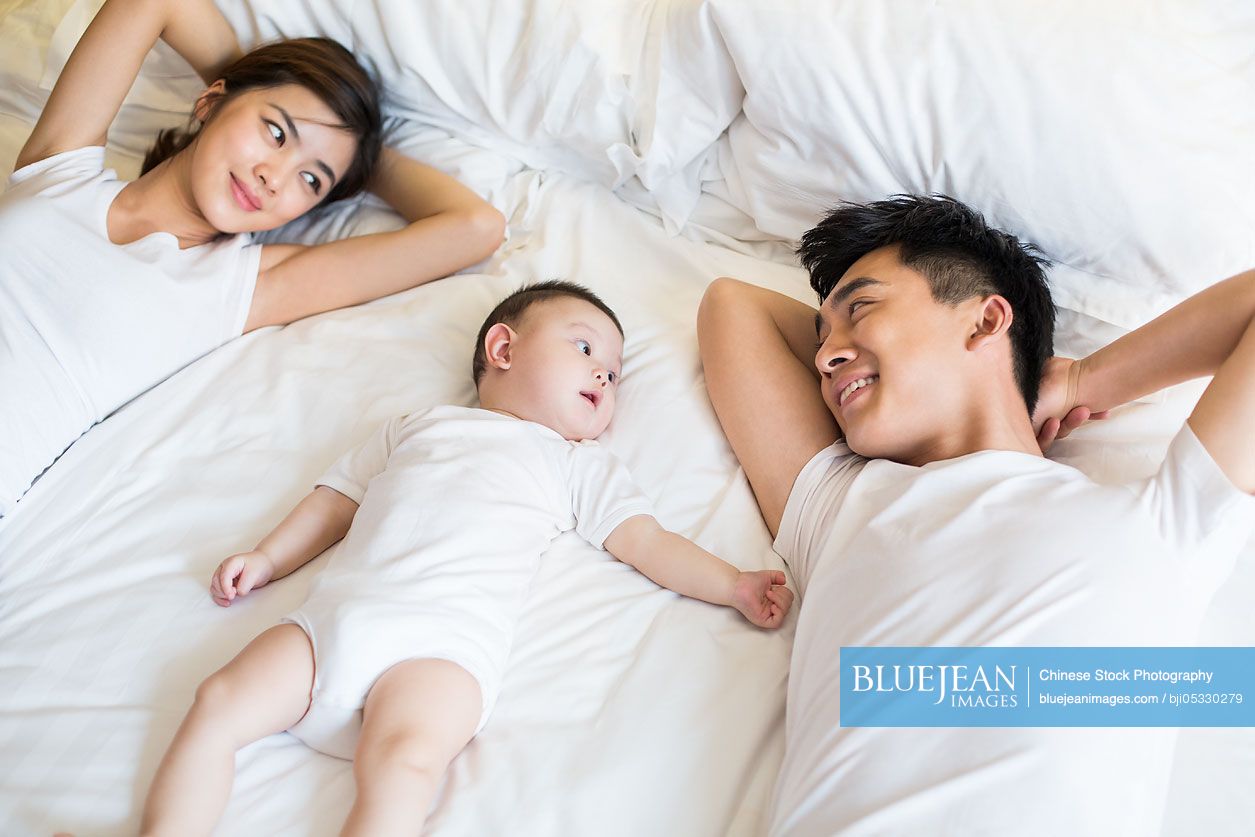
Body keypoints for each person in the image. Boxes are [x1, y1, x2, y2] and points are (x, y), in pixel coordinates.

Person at [137, 281, 795, 836]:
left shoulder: (574, 463)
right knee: (218, 700)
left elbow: (649, 542)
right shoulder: (419, 425)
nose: (603, 373)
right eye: (585, 347)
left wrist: (733, 584)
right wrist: (267, 556)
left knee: (403, 765)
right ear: (503, 347)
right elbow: (334, 499)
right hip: (336, 621)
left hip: (443, 651)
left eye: (615, 373)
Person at [696, 195, 1254, 835]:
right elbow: (733, 305)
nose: (825, 358)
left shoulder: (1166, 526)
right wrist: (868, 344)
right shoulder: (845, 506)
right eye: (822, 341)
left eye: (861, 308)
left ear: (987, 321)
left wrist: (1085, 379)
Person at [0, 0, 506, 517]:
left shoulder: (237, 288)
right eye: (277, 132)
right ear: (209, 102)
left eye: (311, 180)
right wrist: (246, 90)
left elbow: (475, 227)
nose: (275, 176)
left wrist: (356, 159)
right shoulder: (59, 167)